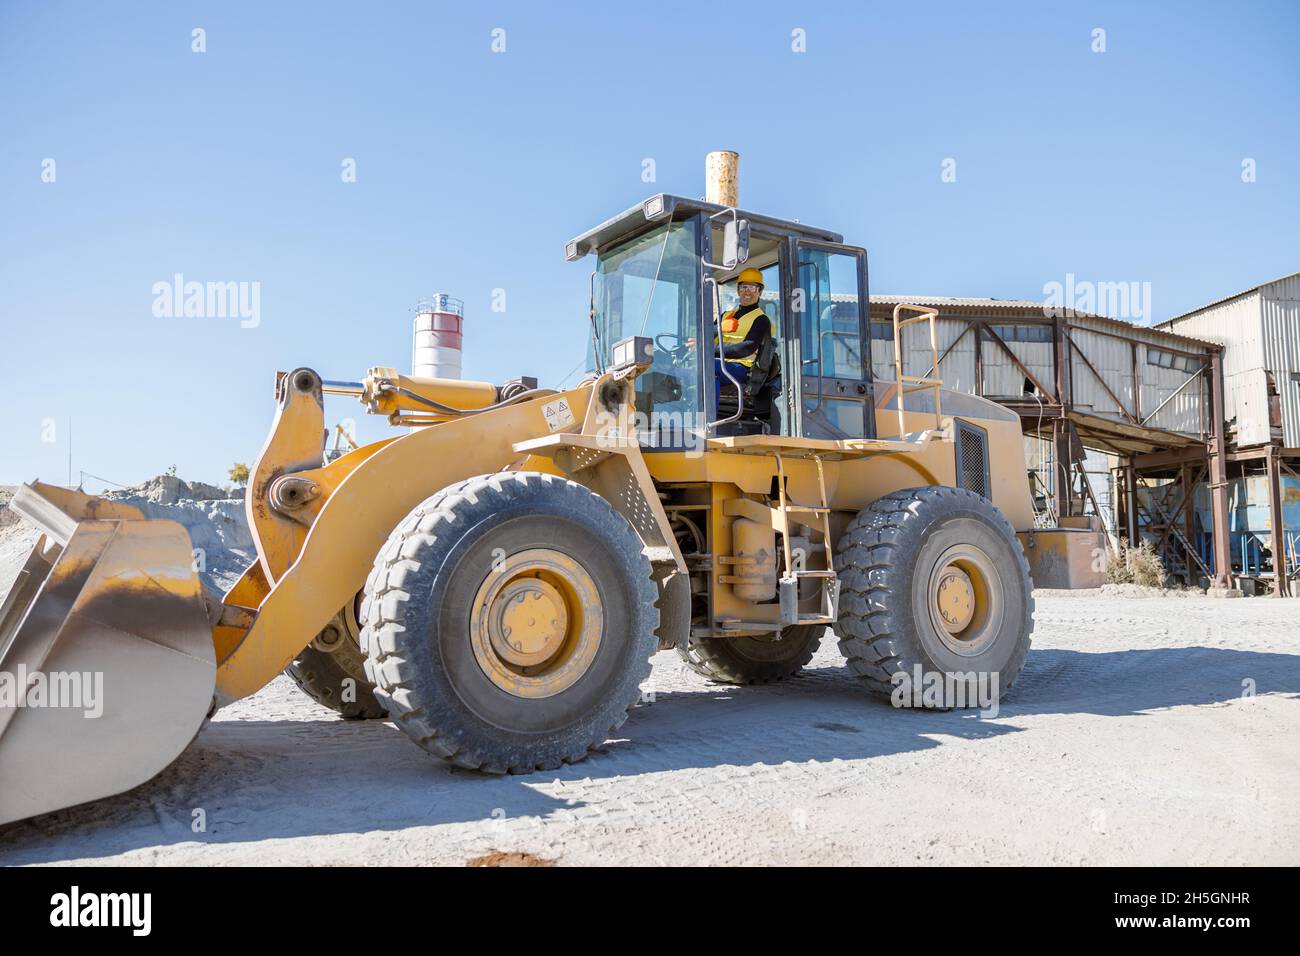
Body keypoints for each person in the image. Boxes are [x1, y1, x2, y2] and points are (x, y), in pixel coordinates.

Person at [711, 267, 771, 408]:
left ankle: (708, 418)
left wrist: (711, 352)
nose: (747, 292)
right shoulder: (725, 315)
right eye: (744, 287)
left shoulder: (761, 319)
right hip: (719, 363)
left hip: (741, 368)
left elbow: (747, 348)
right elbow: (707, 334)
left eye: (752, 288)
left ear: (760, 292)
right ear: (738, 291)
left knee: (709, 366)